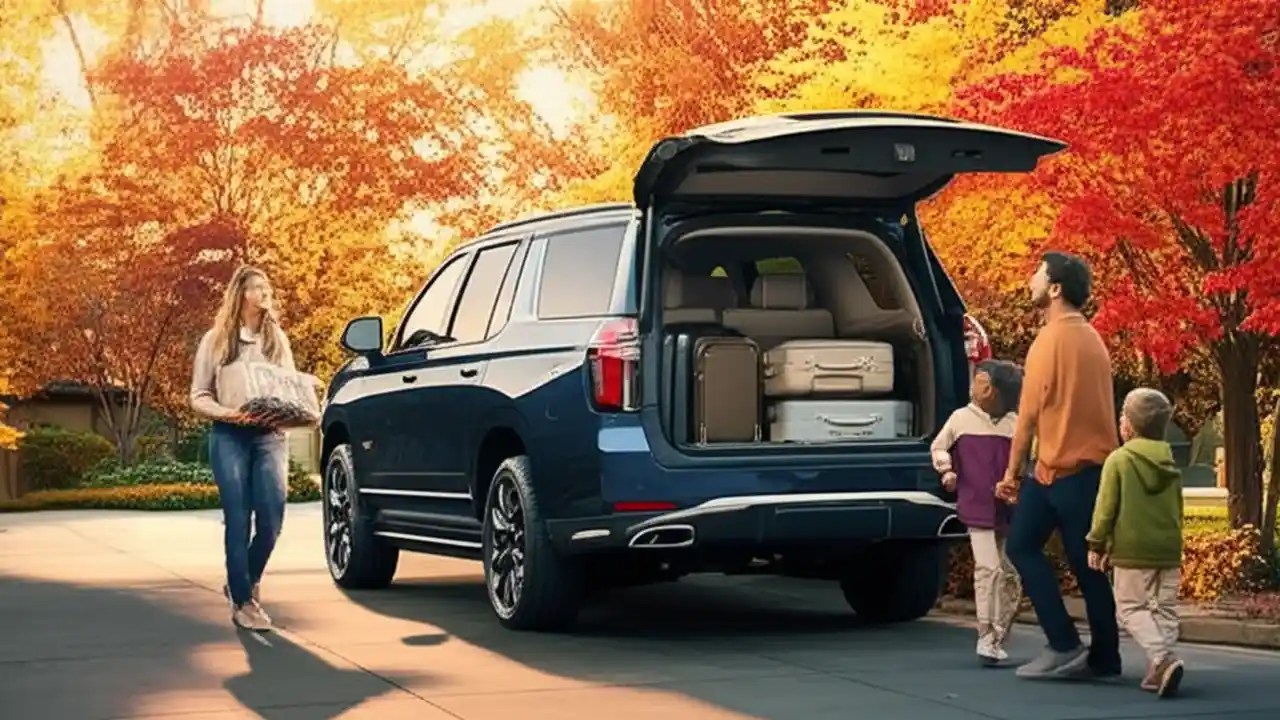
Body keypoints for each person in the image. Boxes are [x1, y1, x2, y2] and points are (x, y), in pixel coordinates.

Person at [994, 251, 1121, 680]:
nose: (1029, 279)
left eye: (1037, 273)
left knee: (1021, 546)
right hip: (1093, 470)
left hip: (1056, 471)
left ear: (1055, 288)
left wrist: (1010, 476)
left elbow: (1027, 418)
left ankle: (1063, 643)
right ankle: (1104, 657)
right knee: (1089, 567)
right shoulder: (1093, 338)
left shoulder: (1048, 341)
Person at [191, 265, 297, 632]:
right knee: (238, 518)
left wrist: (291, 410)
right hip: (229, 435)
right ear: (241, 295)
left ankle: (243, 577)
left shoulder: (276, 340)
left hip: (270, 435)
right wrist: (230, 414)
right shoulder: (216, 340)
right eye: (257, 288)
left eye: (267, 287)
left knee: (272, 520)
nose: (265, 293)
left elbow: (289, 386)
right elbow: (198, 395)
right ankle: (243, 600)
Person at [1087, 388, 1185, 697]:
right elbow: (1178, 507)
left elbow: (1106, 508)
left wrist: (1097, 543)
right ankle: (1159, 671)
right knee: (1164, 609)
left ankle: (1161, 657)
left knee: (1129, 608)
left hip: (1133, 549)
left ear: (1128, 425)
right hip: (1168, 548)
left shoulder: (1120, 460)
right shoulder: (1170, 460)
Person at [931, 359, 1025, 666]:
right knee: (989, 568)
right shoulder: (961, 418)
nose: (974, 387)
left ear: (996, 392)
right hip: (976, 504)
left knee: (1010, 573)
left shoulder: (1017, 424)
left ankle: (999, 634)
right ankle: (986, 634)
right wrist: (946, 471)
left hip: (1009, 507)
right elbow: (939, 446)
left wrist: (1017, 483)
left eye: (981, 383)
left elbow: (1030, 461)